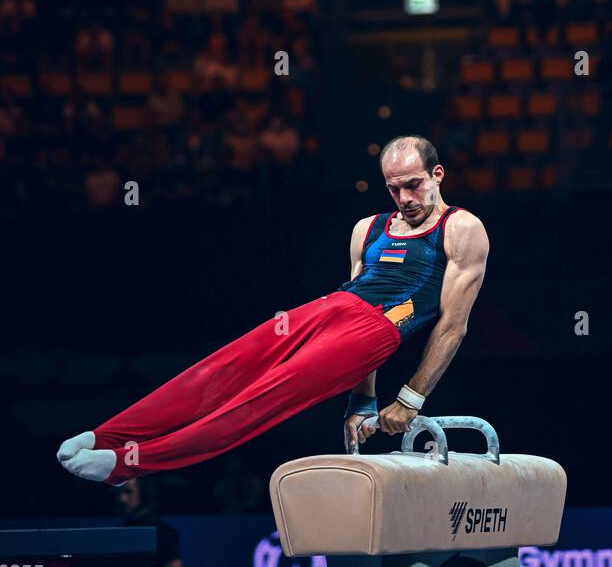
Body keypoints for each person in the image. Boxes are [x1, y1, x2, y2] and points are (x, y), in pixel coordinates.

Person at [56, 136, 488, 485]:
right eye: (393, 187)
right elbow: (355, 291)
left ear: (437, 174)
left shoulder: (462, 228)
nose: (404, 197)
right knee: (221, 368)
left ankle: (127, 464)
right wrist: (363, 401)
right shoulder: (368, 228)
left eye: (413, 184)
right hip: (330, 307)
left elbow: (453, 327)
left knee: (259, 399)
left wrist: (410, 400)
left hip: (377, 328)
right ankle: (110, 434)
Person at [116, 477, 185, 567]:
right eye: (120, 493)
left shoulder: (160, 530)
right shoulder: (124, 529)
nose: (122, 499)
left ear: (144, 494)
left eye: (128, 492)